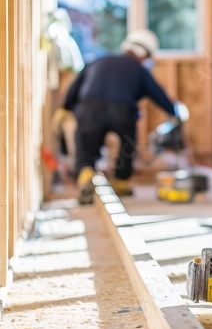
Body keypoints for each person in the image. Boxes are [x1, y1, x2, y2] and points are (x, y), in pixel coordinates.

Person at [58, 29, 179, 204]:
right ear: (145, 55)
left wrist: (65, 108)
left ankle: (85, 175)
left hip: (88, 109)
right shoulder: (139, 69)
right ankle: (121, 182)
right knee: (127, 142)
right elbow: (157, 94)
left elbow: (74, 87)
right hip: (121, 110)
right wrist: (174, 112)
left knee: (86, 146)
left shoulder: (98, 61)